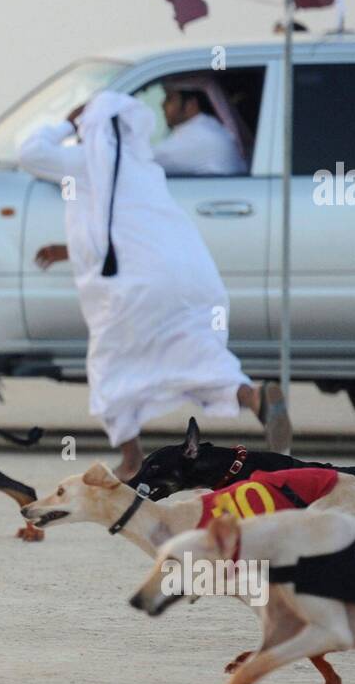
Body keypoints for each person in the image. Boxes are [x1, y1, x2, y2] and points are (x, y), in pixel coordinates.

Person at [18, 91, 289, 480]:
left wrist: (65, 120)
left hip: (135, 289)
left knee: (109, 366)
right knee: (195, 355)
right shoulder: (144, 167)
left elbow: (30, 153)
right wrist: (68, 250)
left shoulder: (83, 162)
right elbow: (123, 230)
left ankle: (131, 459)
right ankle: (253, 396)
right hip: (186, 278)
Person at [152, 83, 247, 176]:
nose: (162, 104)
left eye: (169, 98)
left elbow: (146, 160)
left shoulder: (200, 135)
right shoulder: (208, 126)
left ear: (190, 105)